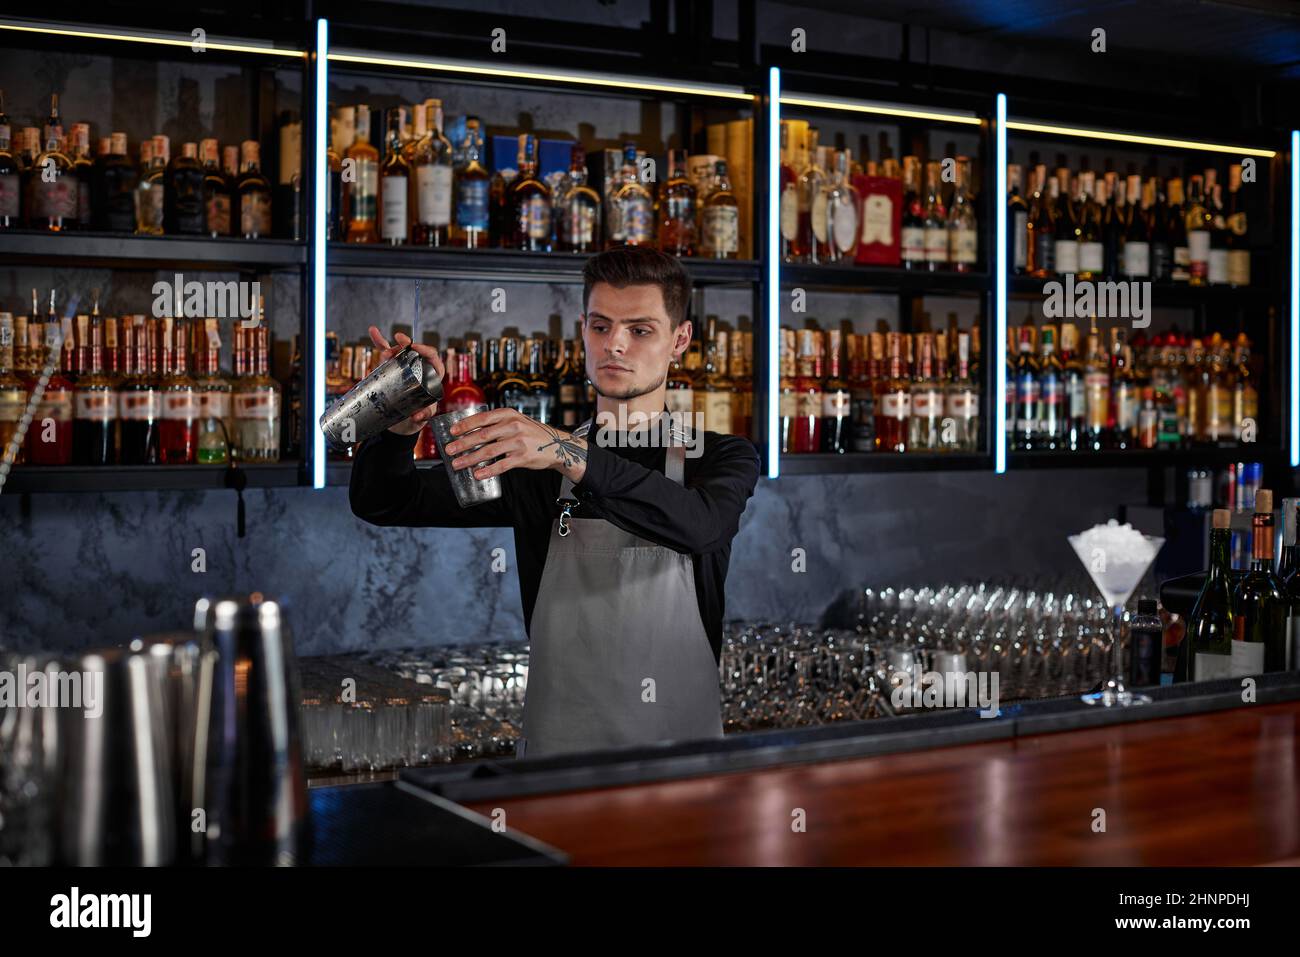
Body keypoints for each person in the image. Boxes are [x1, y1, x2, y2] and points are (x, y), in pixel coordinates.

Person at [349, 246, 760, 757]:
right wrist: (394, 424)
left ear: (680, 340)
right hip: (554, 763)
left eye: (640, 330)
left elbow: (700, 525)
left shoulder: (718, 456)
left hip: (681, 768)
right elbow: (385, 501)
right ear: (582, 329)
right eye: (600, 326)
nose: (615, 345)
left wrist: (563, 450)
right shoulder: (536, 465)